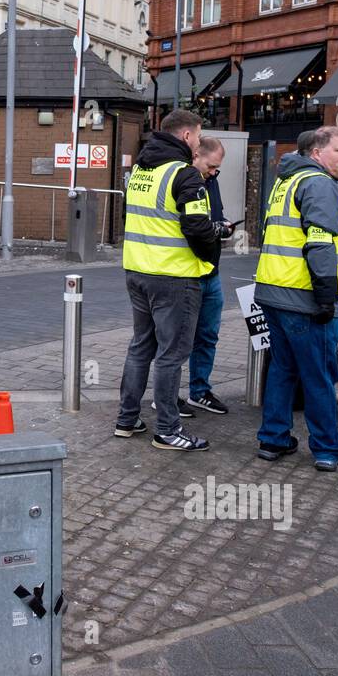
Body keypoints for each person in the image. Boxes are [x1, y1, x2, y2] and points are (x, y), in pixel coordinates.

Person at [114, 109, 220, 451]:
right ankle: (168, 430)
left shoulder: (141, 171)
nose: (199, 142)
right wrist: (212, 251)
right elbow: (197, 227)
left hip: (138, 271)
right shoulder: (185, 175)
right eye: (199, 136)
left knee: (141, 346)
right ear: (187, 136)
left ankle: (126, 420)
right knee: (172, 355)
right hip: (174, 276)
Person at [254, 126, 338, 473]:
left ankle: (273, 439)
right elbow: (320, 242)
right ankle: (327, 448)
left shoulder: (287, 181)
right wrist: (327, 296)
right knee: (318, 376)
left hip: (274, 291)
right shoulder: (320, 184)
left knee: (284, 369)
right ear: (316, 153)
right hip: (305, 297)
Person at [186, 137, 235, 415]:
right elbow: (190, 226)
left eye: (218, 168)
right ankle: (164, 395)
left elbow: (213, 215)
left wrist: (223, 225)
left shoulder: (211, 181)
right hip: (186, 272)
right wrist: (215, 228)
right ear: (195, 156)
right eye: (211, 165)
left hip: (211, 271)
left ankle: (199, 391)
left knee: (207, 336)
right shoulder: (185, 181)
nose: (214, 172)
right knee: (177, 340)